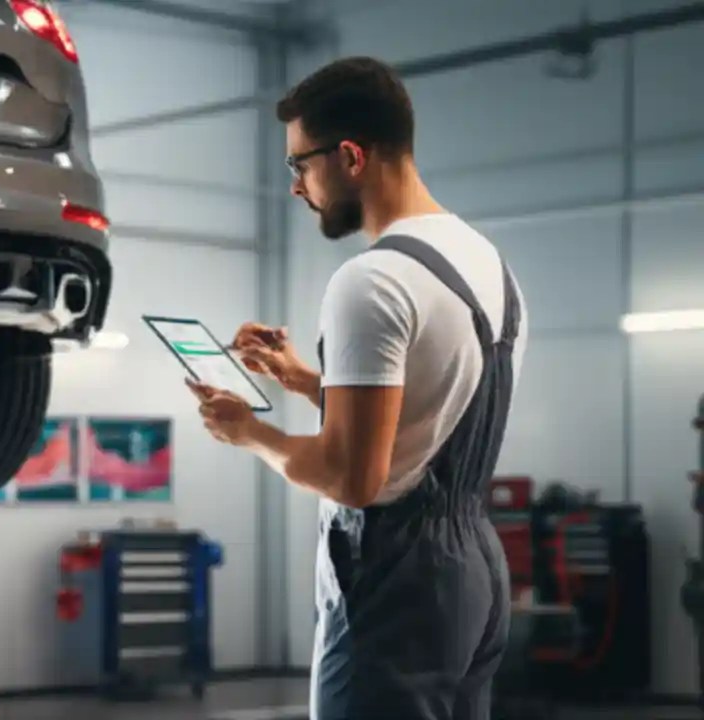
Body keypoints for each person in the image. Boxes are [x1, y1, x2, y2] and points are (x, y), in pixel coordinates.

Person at [188, 57, 529, 719]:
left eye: (299, 165)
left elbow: (353, 477)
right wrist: (301, 379)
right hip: (474, 570)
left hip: (395, 579)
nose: (295, 186)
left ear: (349, 156)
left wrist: (248, 431)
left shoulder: (370, 282)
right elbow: (426, 410)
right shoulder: (488, 264)